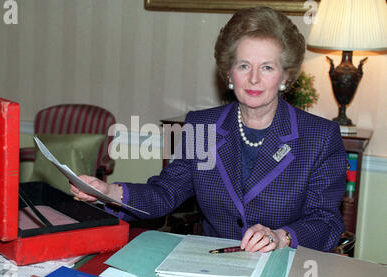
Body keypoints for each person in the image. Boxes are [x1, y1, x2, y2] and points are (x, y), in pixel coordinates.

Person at [71, 7, 346, 253]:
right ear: (229, 73)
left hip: (286, 265)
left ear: (285, 76)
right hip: (213, 265)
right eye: (243, 66)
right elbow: (166, 193)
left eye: (267, 67)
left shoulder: (320, 137)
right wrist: (107, 191)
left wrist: (280, 237)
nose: (253, 78)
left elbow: (326, 221)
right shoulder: (201, 126)